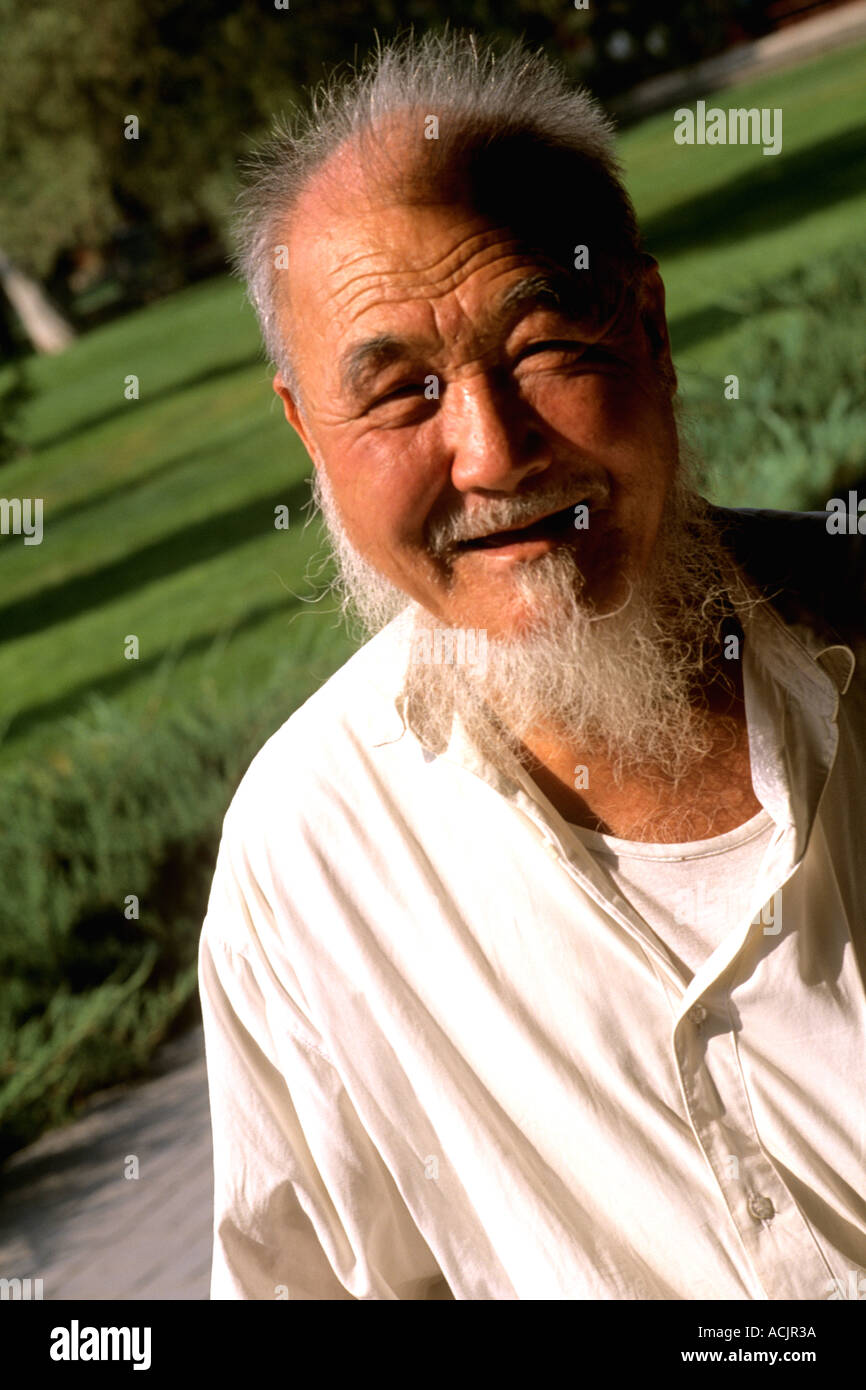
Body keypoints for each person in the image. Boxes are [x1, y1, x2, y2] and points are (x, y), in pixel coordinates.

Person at [198, 29, 866, 1300]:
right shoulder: (306, 866)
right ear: (307, 432)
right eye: (397, 392)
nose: (492, 453)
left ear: (650, 330)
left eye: (543, 345)